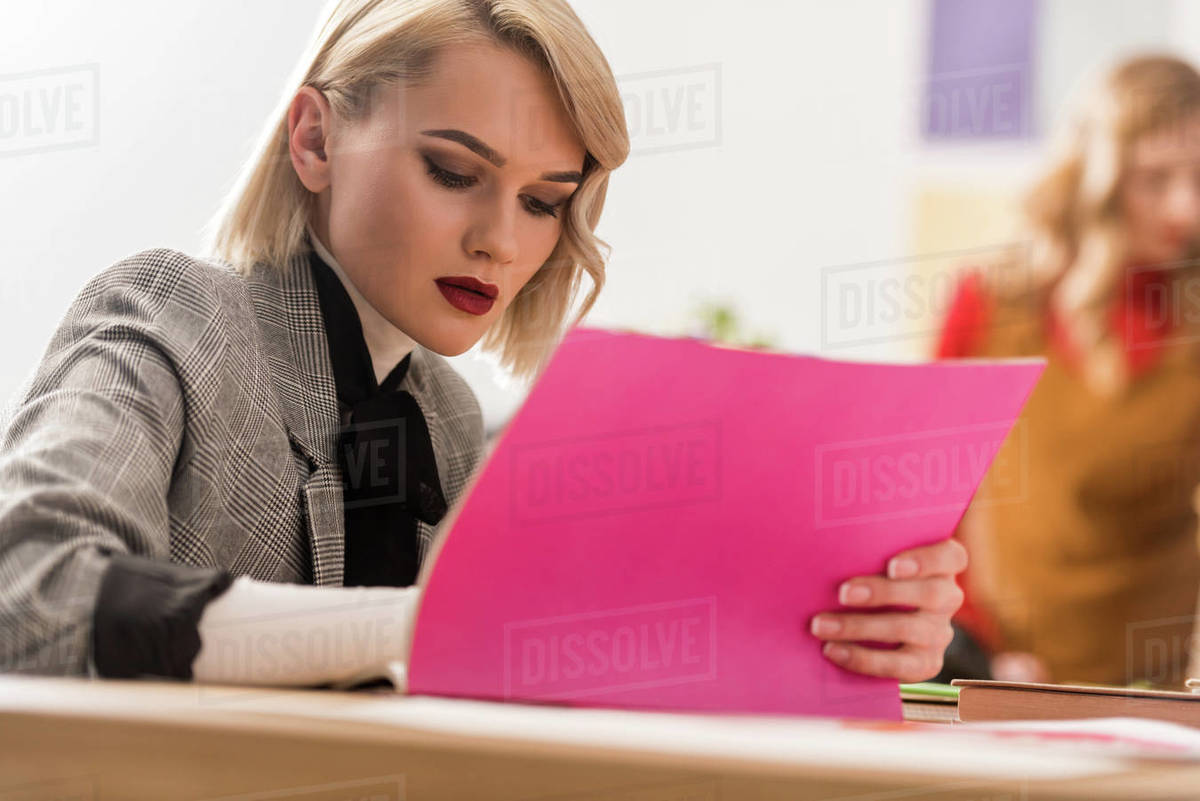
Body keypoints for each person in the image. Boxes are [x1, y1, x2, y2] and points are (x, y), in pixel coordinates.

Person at [0, 0, 965, 688]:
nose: (501, 241)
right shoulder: (177, 313)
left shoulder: (449, 415)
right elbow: (24, 598)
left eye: (543, 201)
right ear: (315, 141)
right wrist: (425, 624)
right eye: (454, 172)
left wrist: (842, 634)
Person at [936, 55, 1200, 688]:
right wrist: (978, 646)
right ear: (1094, 177)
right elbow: (937, 487)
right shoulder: (994, 302)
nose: (1186, 209)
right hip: (1006, 666)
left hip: (1159, 680)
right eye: (1154, 180)